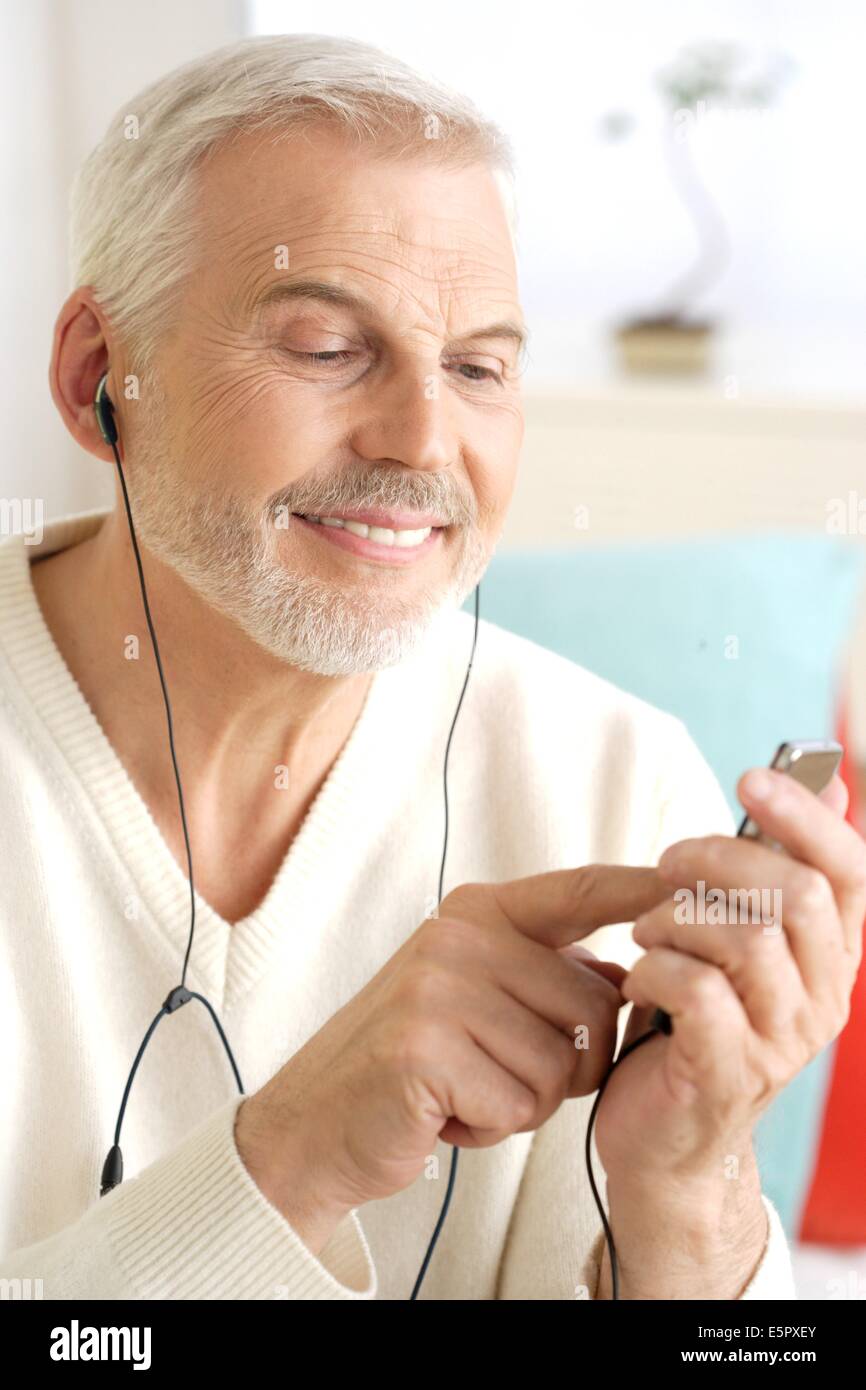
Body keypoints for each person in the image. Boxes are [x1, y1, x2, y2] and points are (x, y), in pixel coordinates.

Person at [1, 34, 861, 1301]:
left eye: (476, 369)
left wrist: (687, 1201)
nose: (421, 440)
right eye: (324, 348)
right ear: (98, 379)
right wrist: (288, 1164)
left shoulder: (618, 779)